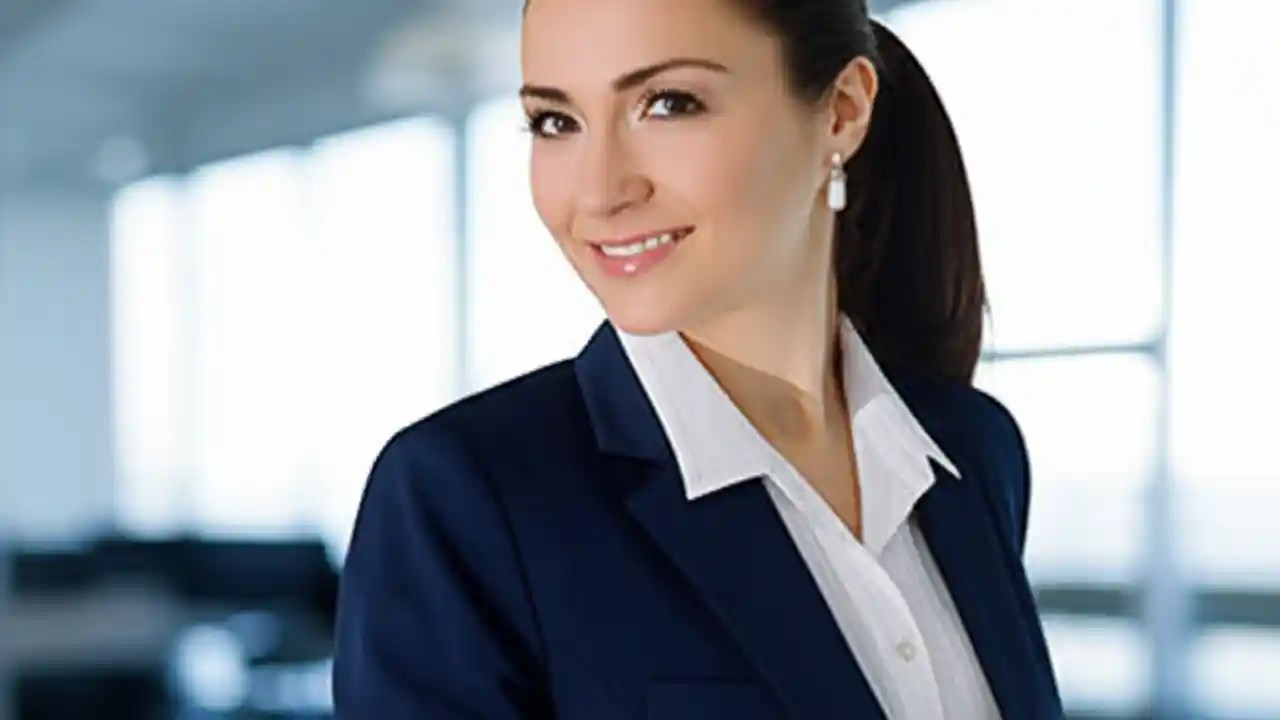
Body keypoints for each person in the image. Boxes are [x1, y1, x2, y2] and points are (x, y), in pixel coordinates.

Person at [333, 0, 1063, 717]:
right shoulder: (466, 499)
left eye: (668, 104)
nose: (599, 191)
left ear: (840, 111)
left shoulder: (972, 452)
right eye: (556, 121)